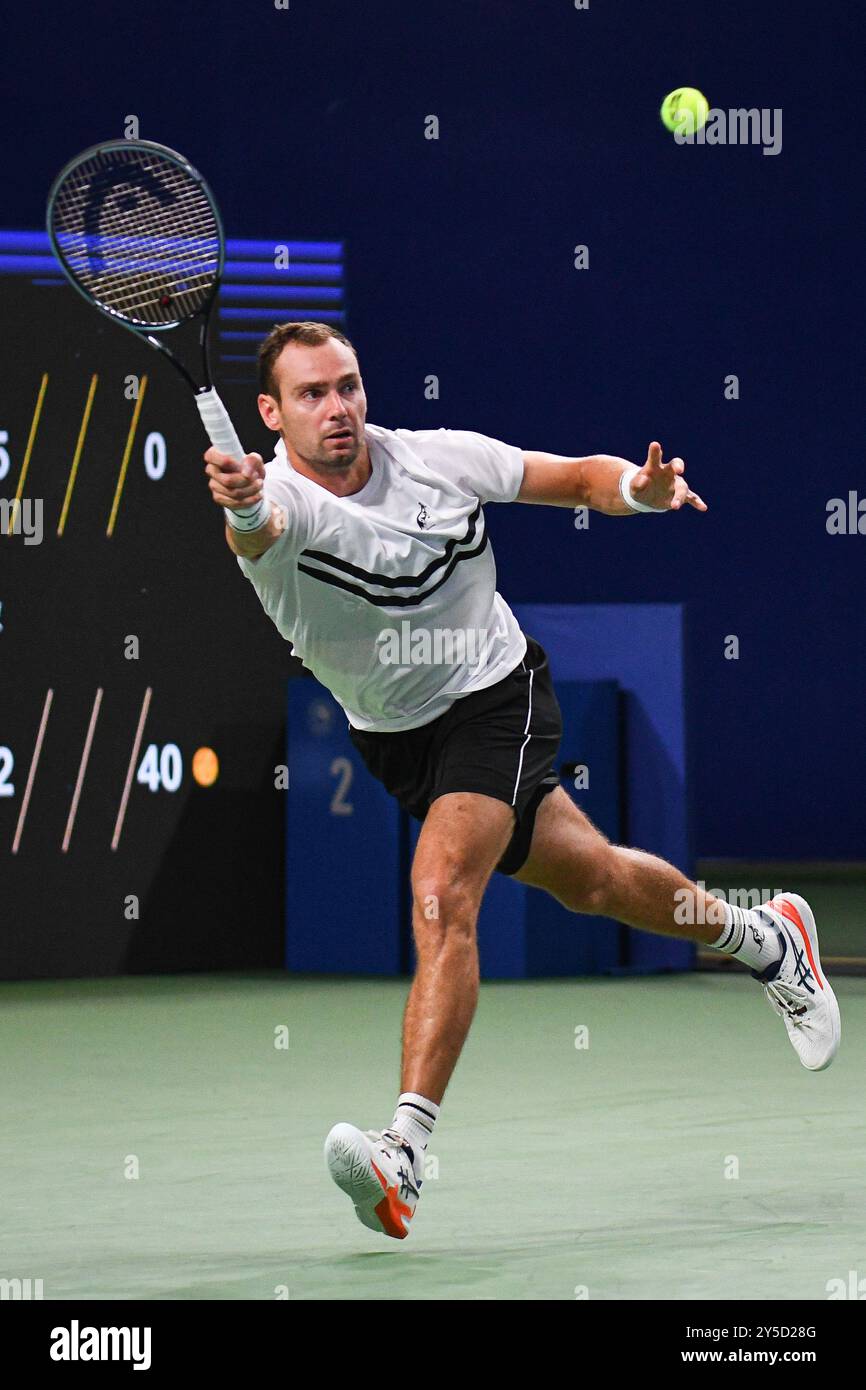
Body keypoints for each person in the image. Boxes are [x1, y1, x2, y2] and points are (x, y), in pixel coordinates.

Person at [204, 321, 841, 1241]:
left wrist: (640, 489)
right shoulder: (278, 502)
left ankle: (405, 1151)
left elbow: (579, 478)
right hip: (397, 737)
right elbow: (255, 526)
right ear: (269, 413)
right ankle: (766, 938)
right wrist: (237, 502)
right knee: (594, 880)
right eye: (311, 394)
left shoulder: (437, 461)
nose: (337, 408)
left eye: (347, 385)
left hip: (493, 694)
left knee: (440, 893)